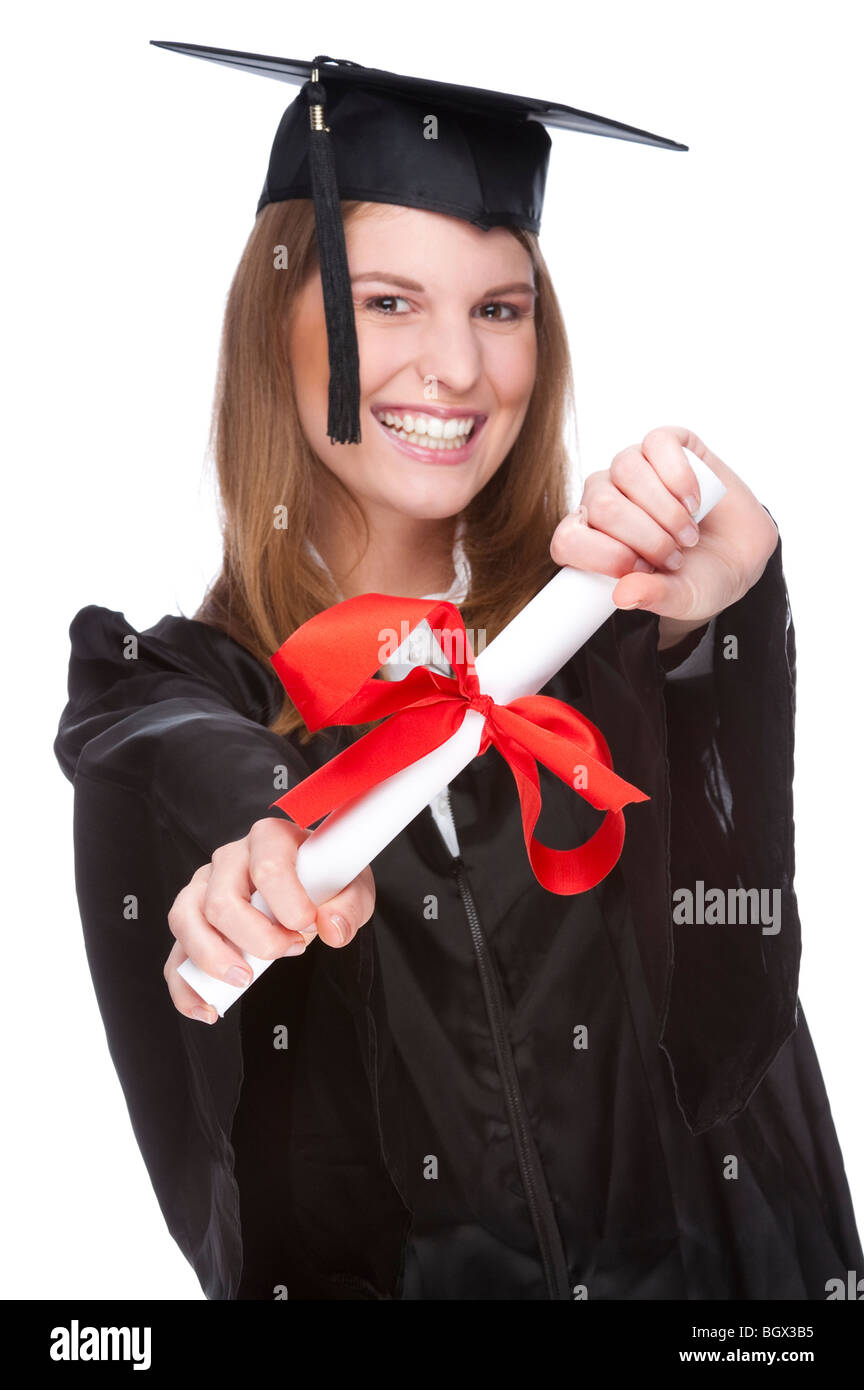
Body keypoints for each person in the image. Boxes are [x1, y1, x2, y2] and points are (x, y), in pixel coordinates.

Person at [54, 46, 862, 1300]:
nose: (457, 369)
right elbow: (174, 757)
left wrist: (721, 628)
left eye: (500, 307)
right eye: (386, 302)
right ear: (280, 326)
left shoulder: (592, 649)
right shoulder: (178, 693)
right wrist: (269, 836)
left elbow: (729, 1033)